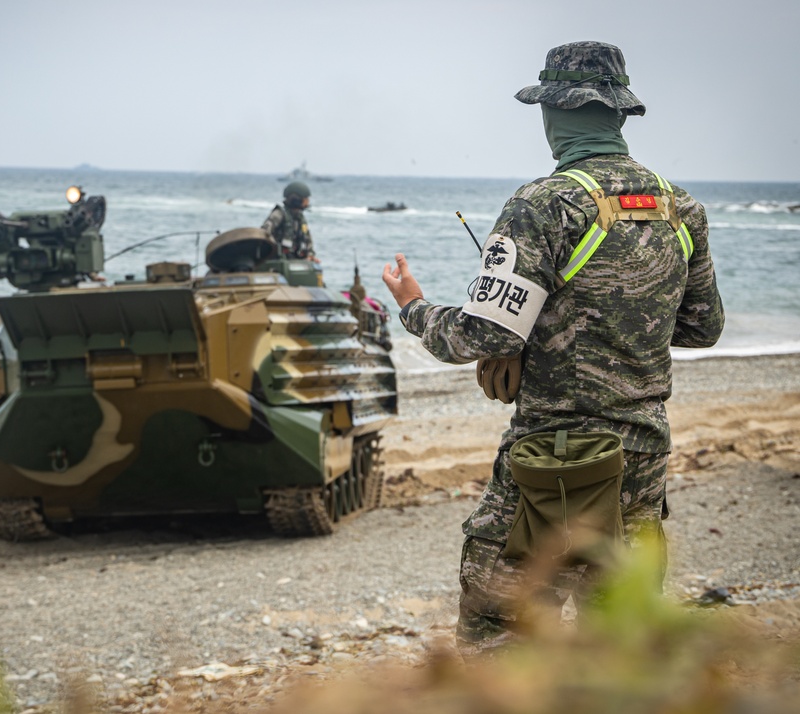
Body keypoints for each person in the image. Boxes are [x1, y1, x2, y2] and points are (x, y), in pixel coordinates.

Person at [381, 41, 724, 653]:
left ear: (553, 115)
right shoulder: (682, 209)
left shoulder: (541, 204)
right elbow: (701, 328)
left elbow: (483, 334)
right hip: (641, 455)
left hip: (550, 461)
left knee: (499, 629)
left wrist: (413, 306)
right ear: (617, 114)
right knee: (622, 639)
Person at [262, 181, 317, 260]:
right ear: (296, 199)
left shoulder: (300, 218)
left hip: (296, 260)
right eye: (306, 199)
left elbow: (307, 239)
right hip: (278, 260)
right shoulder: (279, 214)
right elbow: (265, 232)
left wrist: (310, 255)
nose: (308, 202)